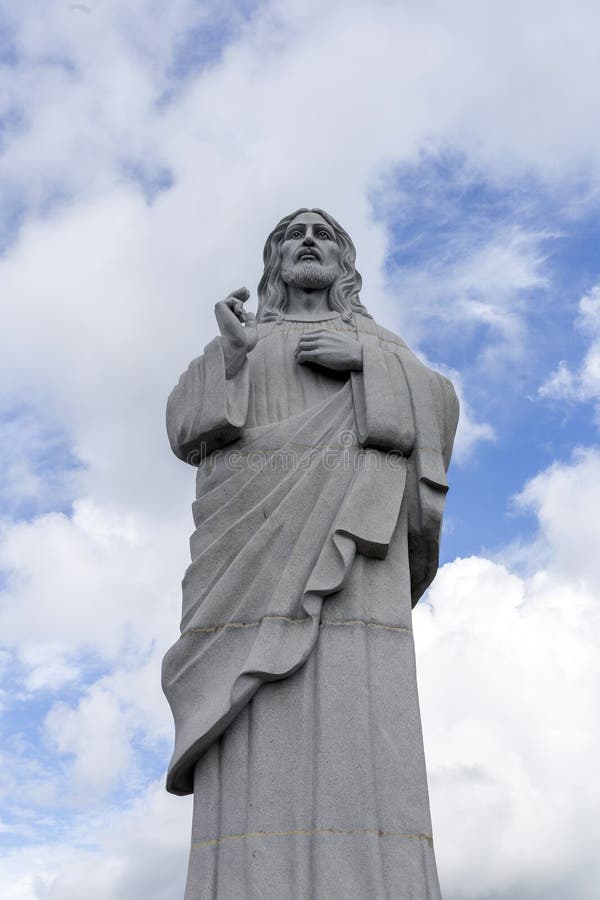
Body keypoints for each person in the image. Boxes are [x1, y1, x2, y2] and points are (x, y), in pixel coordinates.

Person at [163, 208, 459, 899]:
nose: (306, 241)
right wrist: (231, 359)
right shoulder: (241, 340)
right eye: (292, 235)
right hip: (248, 565)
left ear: (343, 265)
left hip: (356, 564)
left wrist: (365, 365)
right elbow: (184, 430)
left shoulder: (375, 342)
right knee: (256, 734)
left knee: (359, 721)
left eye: (322, 234)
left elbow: (439, 405)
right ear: (273, 263)